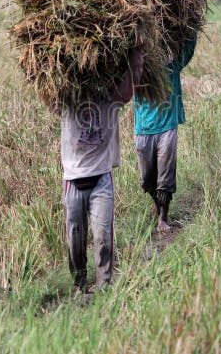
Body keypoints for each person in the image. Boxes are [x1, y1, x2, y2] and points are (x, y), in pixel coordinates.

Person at [61, 48, 145, 292]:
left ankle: (104, 284)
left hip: (101, 178)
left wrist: (135, 56)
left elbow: (129, 89)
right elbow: (46, 94)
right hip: (73, 178)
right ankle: (79, 283)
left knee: (102, 236)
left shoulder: (110, 99)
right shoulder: (67, 100)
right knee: (75, 237)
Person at [133, 33, 196, 232]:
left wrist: (191, 29)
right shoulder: (138, 69)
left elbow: (188, 49)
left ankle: (163, 217)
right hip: (143, 128)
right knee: (147, 179)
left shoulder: (172, 65)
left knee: (165, 177)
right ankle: (156, 205)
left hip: (167, 127)